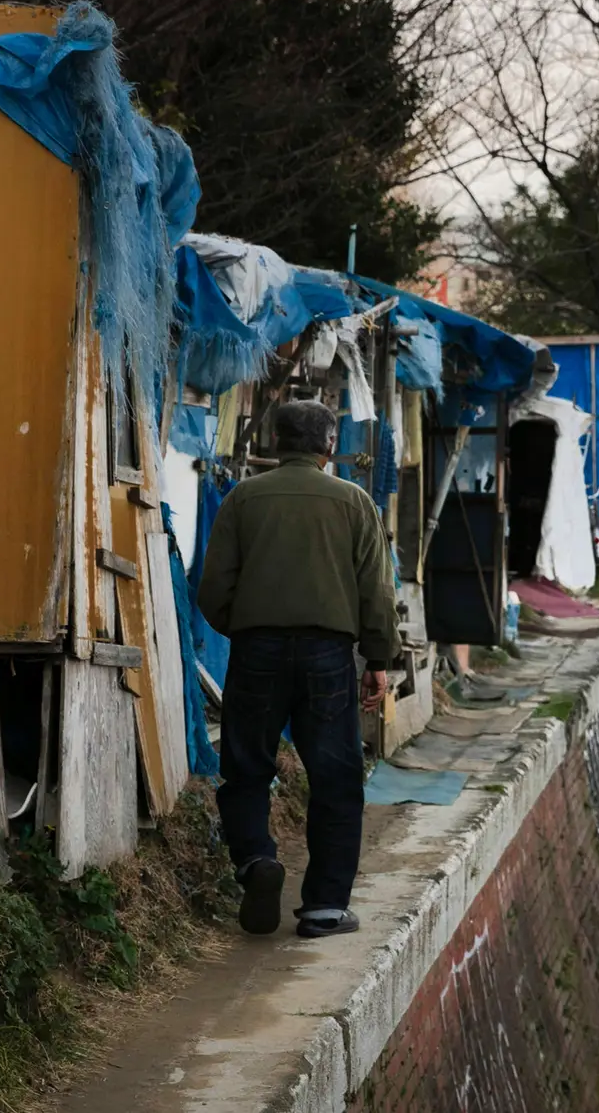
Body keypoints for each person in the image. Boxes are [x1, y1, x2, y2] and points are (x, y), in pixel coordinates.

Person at [196, 397, 398, 938]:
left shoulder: (243, 499)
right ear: (329, 446)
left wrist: (244, 626)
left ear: (276, 442)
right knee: (335, 777)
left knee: (246, 766)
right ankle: (325, 907)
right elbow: (377, 591)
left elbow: (211, 587)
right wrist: (378, 659)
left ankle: (257, 861)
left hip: (256, 648)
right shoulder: (355, 503)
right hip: (328, 656)